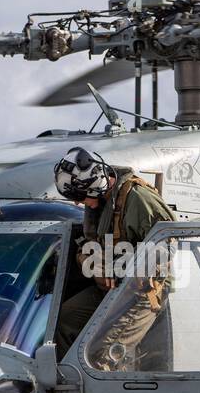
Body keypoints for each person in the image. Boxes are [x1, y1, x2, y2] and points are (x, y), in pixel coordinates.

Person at [53, 147, 174, 368]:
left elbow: (167, 245)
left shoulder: (139, 199)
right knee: (65, 322)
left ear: (95, 184)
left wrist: (120, 265)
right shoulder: (101, 203)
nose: (79, 204)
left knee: (103, 358)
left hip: (143, 293)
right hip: (112, 290)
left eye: (81, 197)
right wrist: (94, 262)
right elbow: (87, 247)